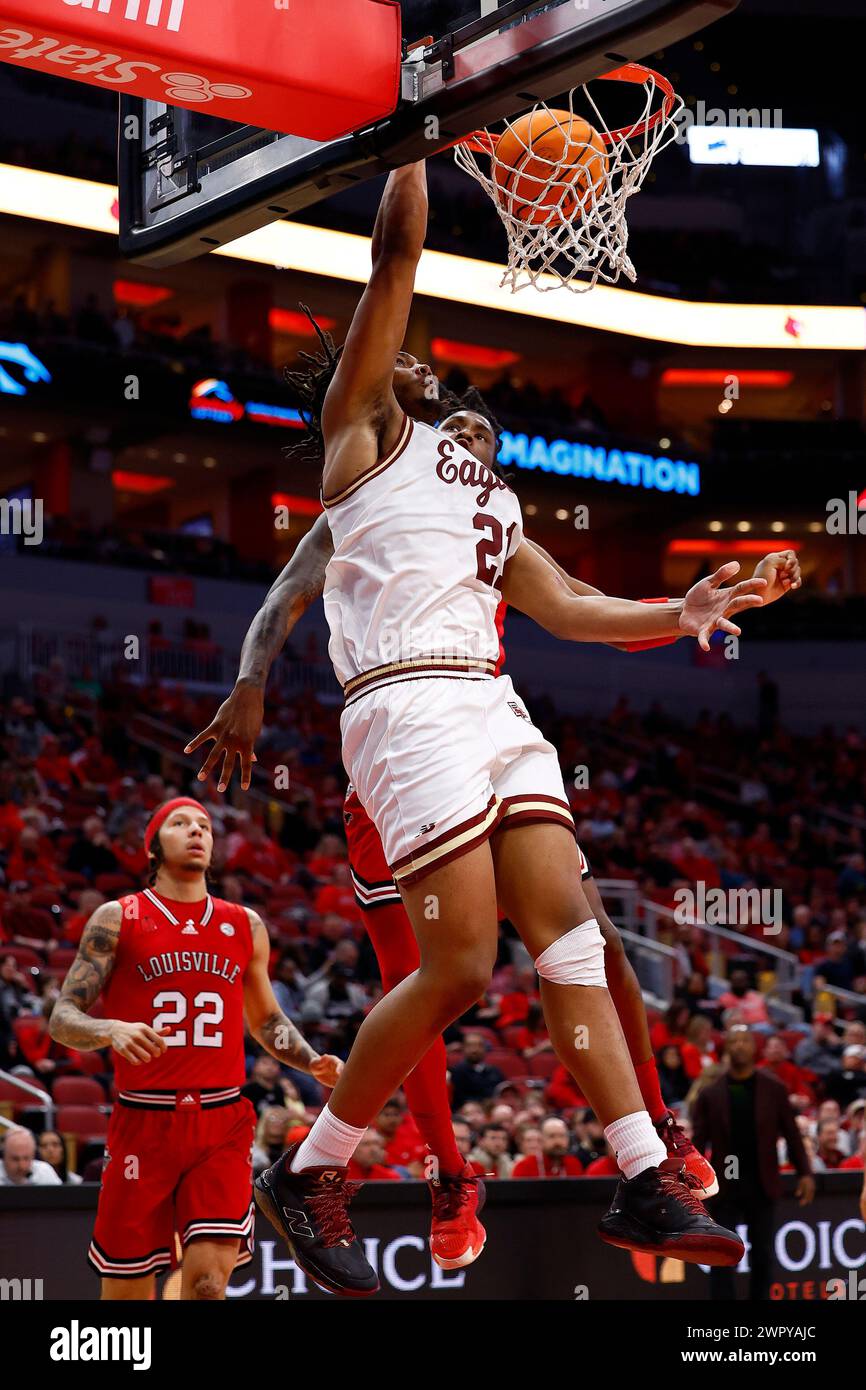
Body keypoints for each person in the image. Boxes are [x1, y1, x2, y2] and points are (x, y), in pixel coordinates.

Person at [188, 166, 787, 1296]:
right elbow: (395, 258)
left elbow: (565, 606)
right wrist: (417, 144)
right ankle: (312, 1169)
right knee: (460, 963)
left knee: (572, 938)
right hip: (405, 703)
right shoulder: (361, 433)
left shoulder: (491, 495)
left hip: (491, 702)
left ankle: (640, 1171)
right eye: (398, 353)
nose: (413, 358)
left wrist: (684, 610)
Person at [48, 797, 340, 1301]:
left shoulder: (244, 924)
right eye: (180, 824)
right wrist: (110, 1029)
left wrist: (310, 1060)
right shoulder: (117, 918)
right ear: (154, 845)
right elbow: (61, 1017)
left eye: (204, 825)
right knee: (126, 1293)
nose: (196, 831)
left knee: (207, 1286)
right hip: (144, 1122)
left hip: (221, 1121)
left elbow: (266, 1019)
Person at [692, 1025, 815, 1301]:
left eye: (745, 1040)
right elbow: (698, 1144)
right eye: (733, 1040)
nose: (739, 1045)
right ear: (726, 1048)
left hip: (761, 1180)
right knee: (721, 1254)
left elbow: (792, 1134)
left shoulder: (774, 1089)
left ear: (754, 1047)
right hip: (725, 1183)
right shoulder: (710, 1094)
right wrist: (691, 1184)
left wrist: (805, 1172)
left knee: (763, 1254)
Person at [512, 1117, 583, 1178]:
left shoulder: (574, 1164)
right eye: (551, 1136)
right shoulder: (525, 1166)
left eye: (562, 1136)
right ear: (541, 1139)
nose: (558, 1141)